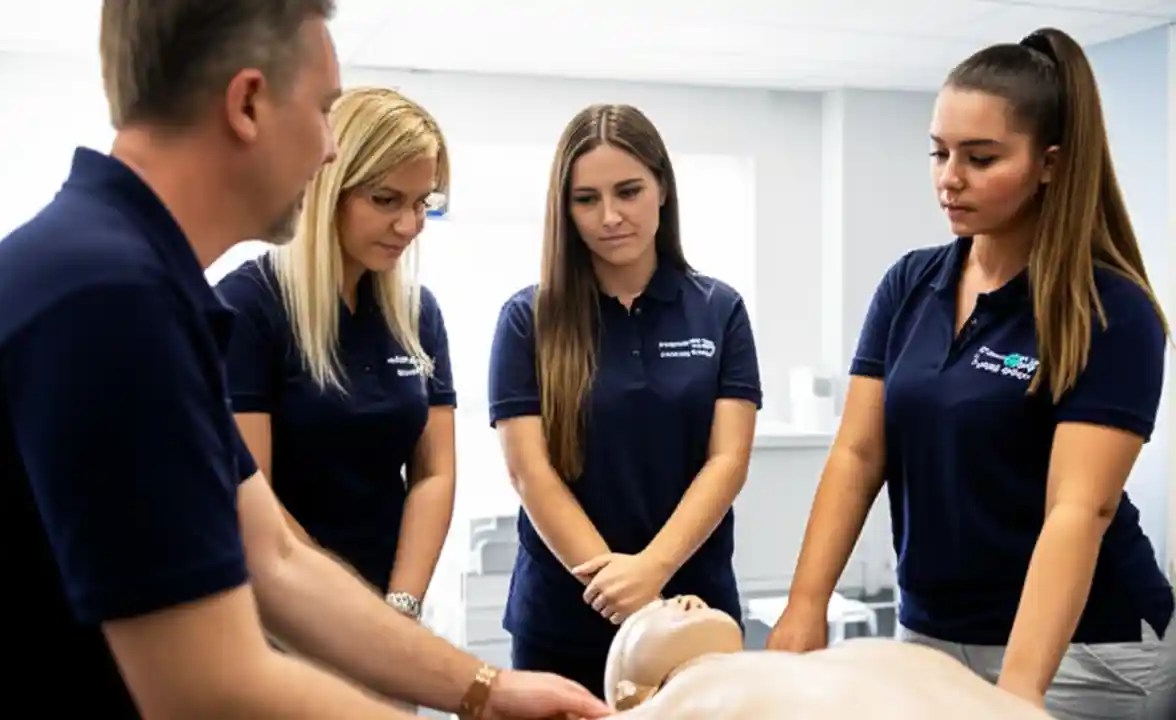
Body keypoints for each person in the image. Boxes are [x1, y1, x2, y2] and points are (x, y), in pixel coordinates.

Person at [0, 2, 611, 719]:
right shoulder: (104, 298)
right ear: (246, 104)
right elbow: (209, 688)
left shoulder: (121, 275)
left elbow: (276, 558)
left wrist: (483, 691)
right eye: (325, 110)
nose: (331, 149)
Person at [767, 26, 1176, 720]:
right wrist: (804, 611)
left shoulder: (1110, 310)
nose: (949, 178)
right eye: (940, 153)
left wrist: (1019, 692)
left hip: (1083, 649)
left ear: (1050, 164)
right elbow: (860, 453)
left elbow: (1080, 510)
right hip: (929, 635)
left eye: (981, 158)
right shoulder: (910, 284)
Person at [487, 103, 762, 698]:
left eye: (629, 191)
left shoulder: (719, 310)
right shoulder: (527, 319)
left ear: (661, 187)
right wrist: (623, 595)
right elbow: (530, 471)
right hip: (564, 618)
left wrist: (654, 574)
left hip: (695, 620)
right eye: (586, 199)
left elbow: (728, 461)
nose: (610, 216)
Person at [217, 86, 455, 623]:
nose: (409, 226)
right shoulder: (248, 307)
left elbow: (433, 474)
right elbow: (254, 497)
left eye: (422, 203)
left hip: (388, 611)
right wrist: (349, 614)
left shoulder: (417, 315)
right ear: (328, 185)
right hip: (281, 613)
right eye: (386, 200)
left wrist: (400, 605)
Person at [602, 595, 1055, 719]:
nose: (680, 598)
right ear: (631, 692)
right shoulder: (678, 699)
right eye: (654, 611)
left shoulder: (811, 666)